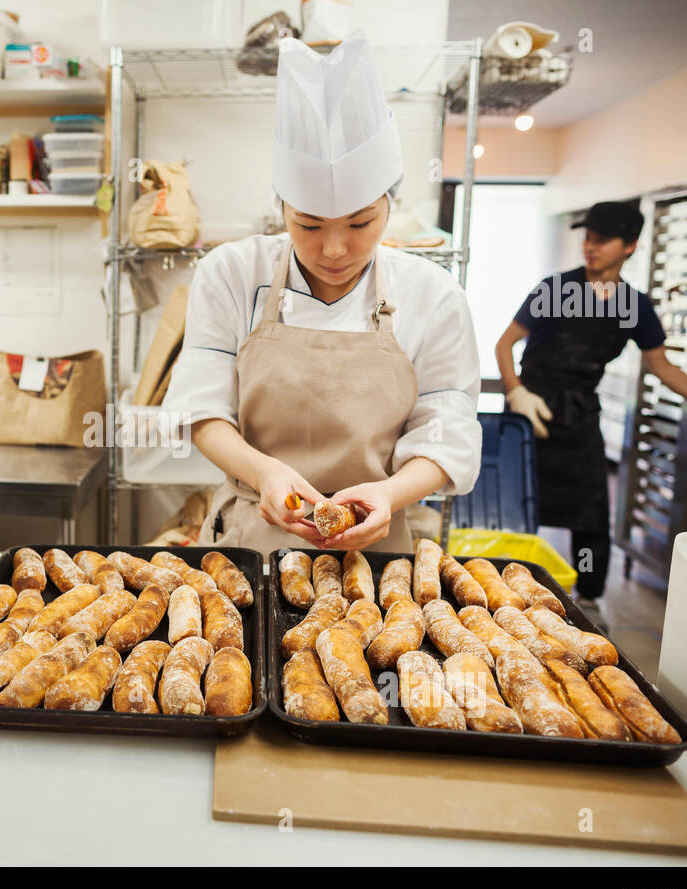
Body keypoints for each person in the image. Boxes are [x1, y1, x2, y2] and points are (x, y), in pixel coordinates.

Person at [163, 31, 482, 554]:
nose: (334, 249)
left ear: (389, 205)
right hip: (248, 540)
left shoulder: (434, 293)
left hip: (376, 549)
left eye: (360, 223)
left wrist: (390, 492)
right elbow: (200, 410)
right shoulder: (231, 271)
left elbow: (448, 427)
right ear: (282, 208)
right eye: (308, 226)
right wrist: (264, 472)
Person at [495, 201, 687, 609]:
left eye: (602, 241)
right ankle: (497, 587)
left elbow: (662, 366)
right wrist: (517, 392)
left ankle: (589, 602)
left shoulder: (634, 307)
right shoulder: (554, 289)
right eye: (588, 239)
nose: (590, 247)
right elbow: (505, 344)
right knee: (511, 505)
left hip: (580, 416)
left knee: (590, 514)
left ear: (630, 246)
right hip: (529, 412)